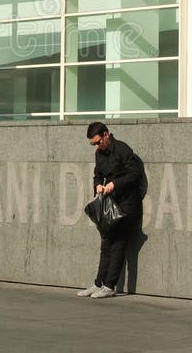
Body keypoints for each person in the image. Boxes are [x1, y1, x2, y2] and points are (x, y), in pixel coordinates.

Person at [77, 121, 146, 299]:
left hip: (128, 205)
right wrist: (98, 185)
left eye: (98, 142)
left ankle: (109, 285)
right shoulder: (99, 154)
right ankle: (99, 283)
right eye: (93, 144)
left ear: (106, 135)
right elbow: (97, 174)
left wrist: (115, 184)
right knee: (106, 242)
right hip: (112, 204)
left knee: (118, 243)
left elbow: (135, 174)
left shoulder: (123, 150)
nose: (97, 146)